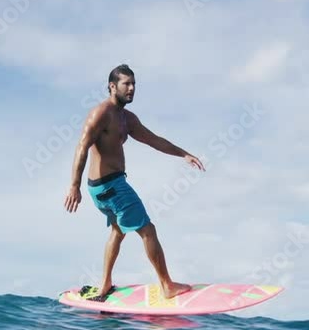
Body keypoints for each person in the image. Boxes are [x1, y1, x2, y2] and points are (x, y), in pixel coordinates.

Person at [63, 64, 205, 301]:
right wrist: (73, 185)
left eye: (134, 84)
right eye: (126, 84)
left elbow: (152, 140)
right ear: (112, 86)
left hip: (103, 187)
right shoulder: (102, 113)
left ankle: (105, 284)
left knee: (118, 231)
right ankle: (167, 285)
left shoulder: (126, 118)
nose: (131, 89)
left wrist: (183, 154)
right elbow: (82, 146)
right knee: (148, 230)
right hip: (111, 186)